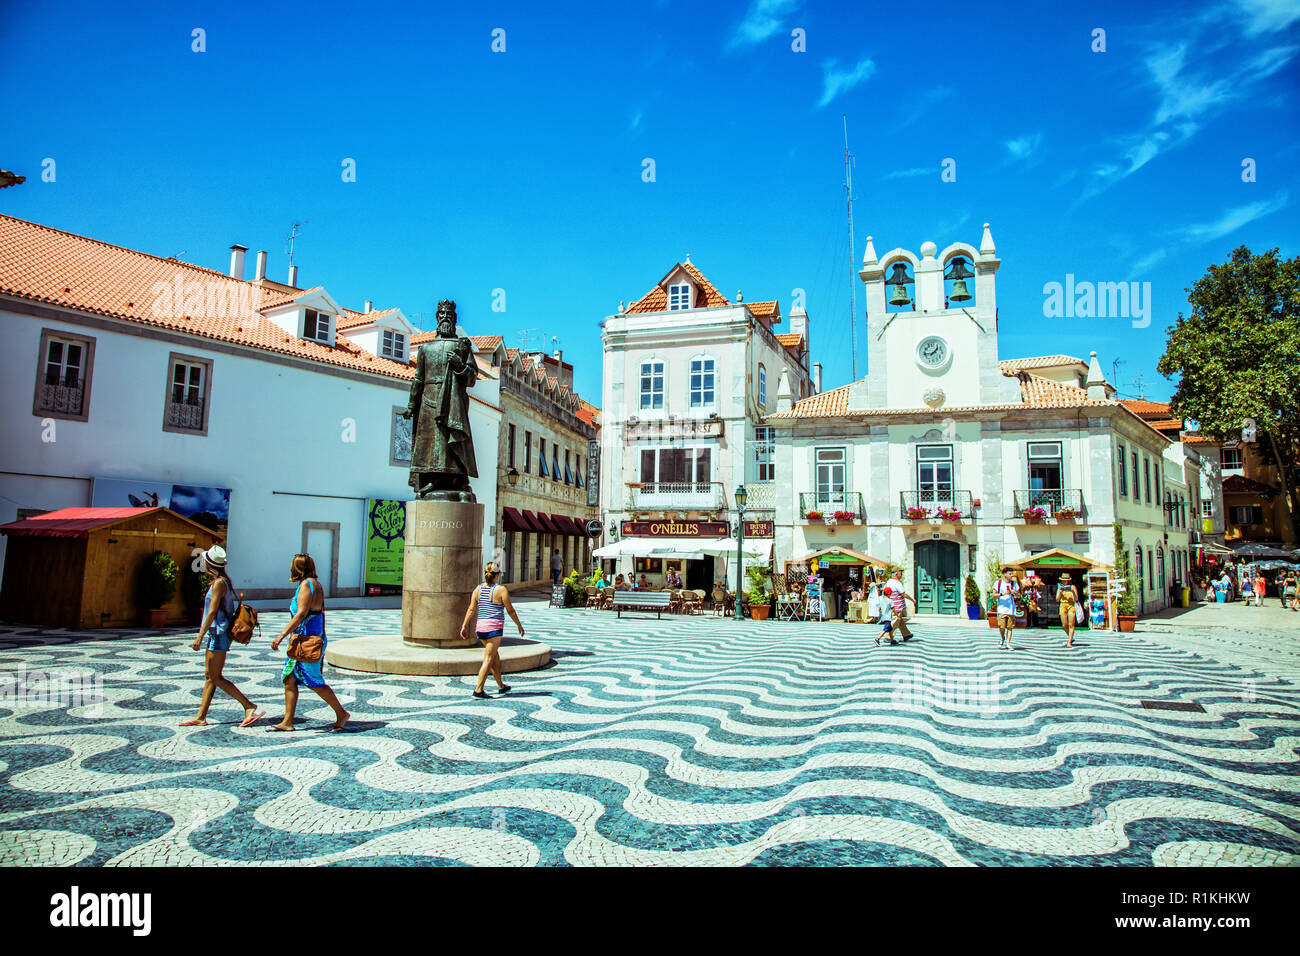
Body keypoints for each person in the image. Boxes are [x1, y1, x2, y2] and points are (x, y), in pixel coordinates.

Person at [181, 545, 263, 727]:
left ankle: (248, 705)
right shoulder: (221, 582)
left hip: (218, 634)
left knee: (215, 676)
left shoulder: (219, 584)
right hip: (216, 633)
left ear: (208, 563)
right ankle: (200, 716)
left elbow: (211, 612)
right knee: (210, 675)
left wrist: (199, 636)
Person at [268, 554, 349, 732]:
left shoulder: (307, 585)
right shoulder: (314, 584)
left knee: (313, 681)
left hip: (307, 641)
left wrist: (281, 635)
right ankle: (287, 721)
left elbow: (301, 613)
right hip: (304, 640)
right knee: (289, 679)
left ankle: (341, 713)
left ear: (297, 568)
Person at [459, 561, 524, 699]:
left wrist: (464, 625)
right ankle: (478, 690)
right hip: (494, 628)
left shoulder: (478, 589)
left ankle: (501, 686)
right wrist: (519, 624)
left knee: (495, 657)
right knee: (488, 658)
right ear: (497, 575)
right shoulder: (501, 590)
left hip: (481, 628)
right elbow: (510, 610)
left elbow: (471, 609)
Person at [882, 570, 915, 642]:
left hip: (892, 604)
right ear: (897, 573)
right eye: (900, 572)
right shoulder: (897, 583)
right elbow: (904, 594)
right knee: (895, 620)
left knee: (899, 620)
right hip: (897, 605)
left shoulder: (889, 581)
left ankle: (906, 634)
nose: (902, 574)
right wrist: (912, 600)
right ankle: (888, 637)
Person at [993, 567, 1019, 650]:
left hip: (1011, 608)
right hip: (1001, 608)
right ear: (1004, 574)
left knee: (1010, 627)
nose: (1012, 575)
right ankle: (1002, 638)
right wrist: (1002, 594)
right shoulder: (998, 583)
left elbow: (1018, 596)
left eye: (1012, 574)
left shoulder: (1014, 584)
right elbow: (993, 595)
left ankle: (1008, 643)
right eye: (1010, 574)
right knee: (1001, 626)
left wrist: (1015, 593)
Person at [1057, 572, 1081, 648]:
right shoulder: (1060, 587)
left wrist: (1072, 591)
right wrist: (1060, 592)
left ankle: (1069, 641)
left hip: (1071, 606)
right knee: (1064, 625)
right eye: (1063, 580)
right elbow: (1057, 599)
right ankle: (1070, 636)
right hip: (1063, 605)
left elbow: (1076, 599)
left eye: (1065, 580)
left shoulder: (1073, 587)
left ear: (1068, 580)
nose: (1064, 581)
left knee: (1071, 624)